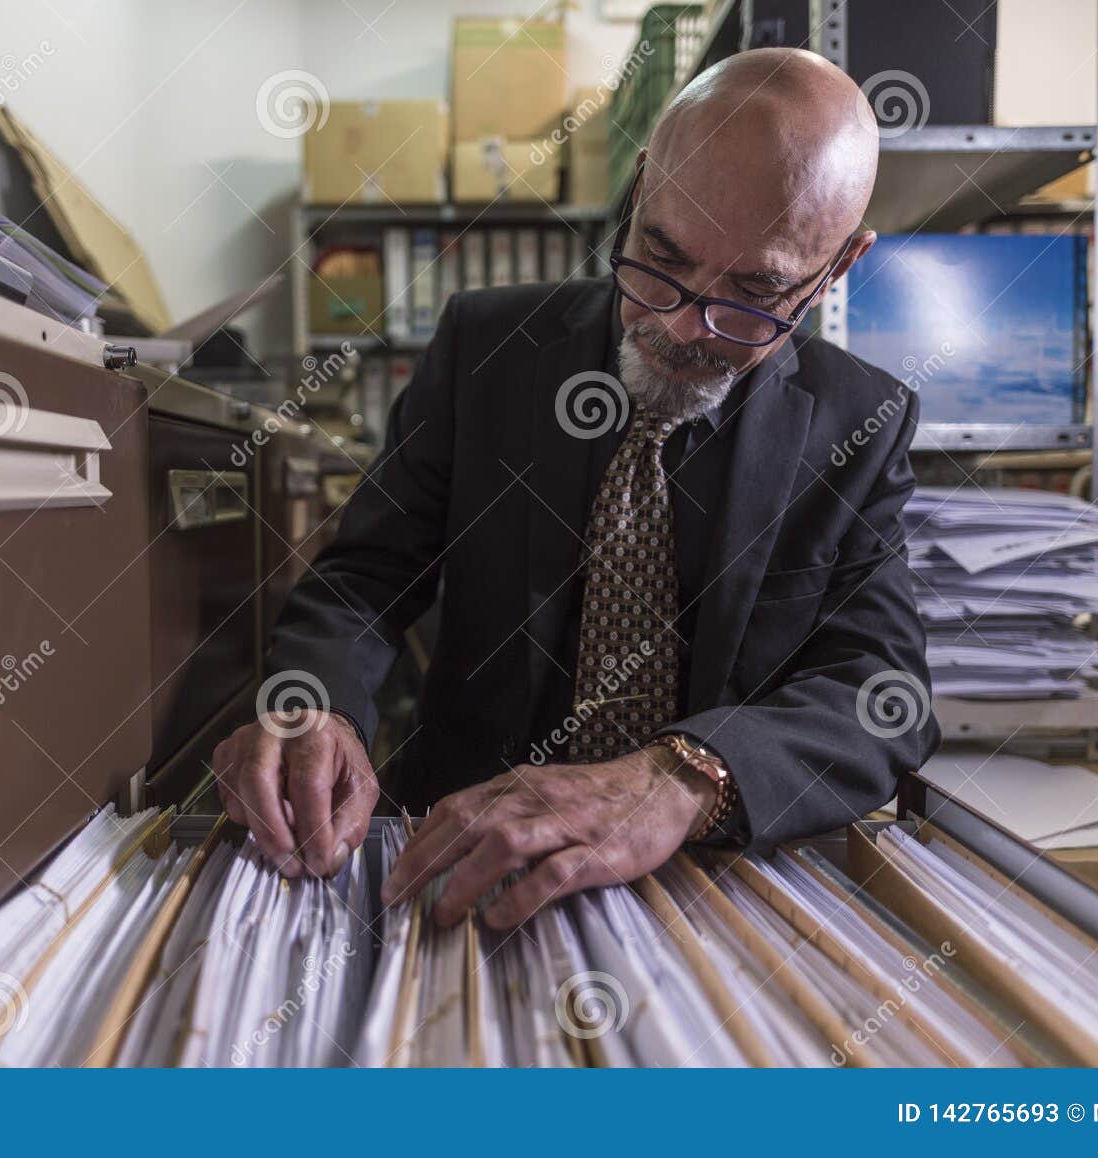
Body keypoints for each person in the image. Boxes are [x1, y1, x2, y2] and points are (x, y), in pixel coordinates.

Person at [212, 46, 939, 930]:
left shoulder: (859, 422)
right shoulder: (486, 350)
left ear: (840, 266)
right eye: (661, 255)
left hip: (702, 885)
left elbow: (880, 693)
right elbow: (365, 576)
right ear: (642, 183)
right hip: (458, 859)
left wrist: (680, 780)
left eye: (754, 292)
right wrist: (316, 704)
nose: (680, 325)